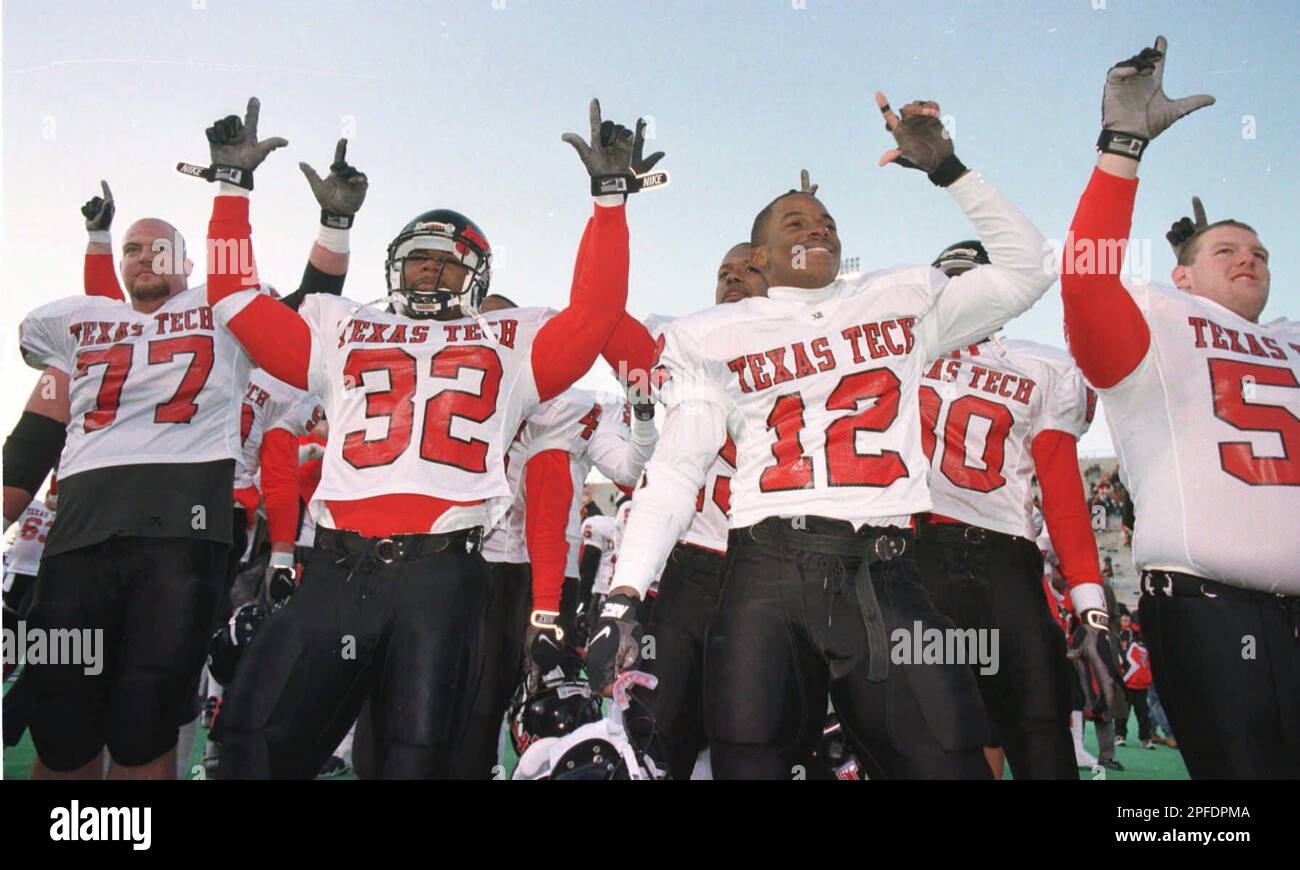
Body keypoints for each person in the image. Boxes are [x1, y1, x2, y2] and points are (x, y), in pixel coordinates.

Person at [594, 92, 1054, 778]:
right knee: (750, 759)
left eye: (827, 220)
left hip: (887, 569)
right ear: (759, 252)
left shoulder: (901, 296)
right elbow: (675, 471)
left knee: (946, 758)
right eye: (794, 219)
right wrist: (624, 595)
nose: (816, 228)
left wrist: (951, 170)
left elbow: (1029, 269)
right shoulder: (709, 336)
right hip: (764, 572)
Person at [201, 97, 655, 778]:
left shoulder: (513, 336)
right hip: (337, 567)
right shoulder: (341, 323)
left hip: (443, 572)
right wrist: (230, 191)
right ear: (396, 266)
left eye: (447, 262)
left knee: (419, 758)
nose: (431, 272)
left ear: (477, 274)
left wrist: (609, 202)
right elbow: (235, 301)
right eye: (419, 260)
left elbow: (595, 312)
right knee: (250, 746)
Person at [1061, 37, 1299, 779]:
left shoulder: (1292, 339)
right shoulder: (1160, 317)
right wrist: (1121, 150)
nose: (1248, 258)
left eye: (1259, 250)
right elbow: (1086, 288)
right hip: (1208, 607)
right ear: (1181, 273)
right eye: (1225, 249)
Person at [913, 238, 1104, 780]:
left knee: (1038, 730)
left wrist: (1090, 595)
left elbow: (1061, 484)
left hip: (1005, 561)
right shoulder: (895, 348)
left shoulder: (1039, 367)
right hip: (913, 554)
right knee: (937, 738)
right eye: (949, 282)